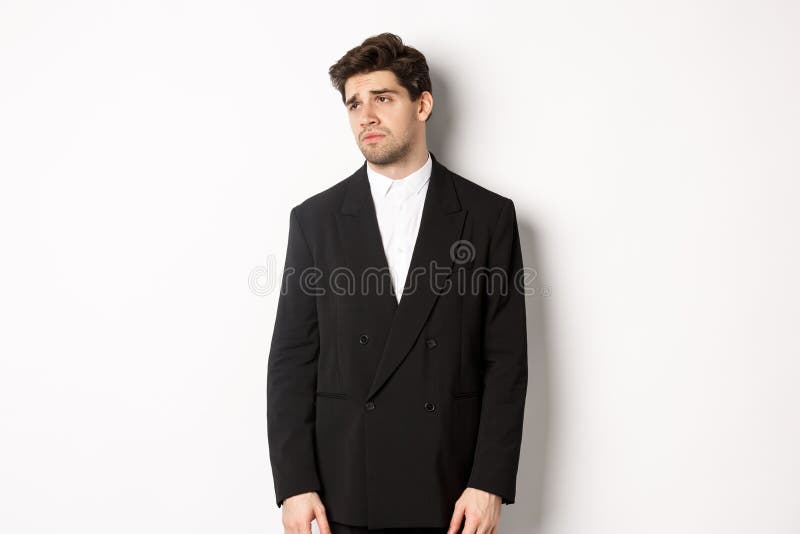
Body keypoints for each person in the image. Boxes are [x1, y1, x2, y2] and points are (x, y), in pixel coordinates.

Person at [267, 32, 528, 534]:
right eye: (354, 104)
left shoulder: (487, 216)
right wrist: (295, 484)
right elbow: (291, 361)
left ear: (422, 104)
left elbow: (506, 361)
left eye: (382, 98)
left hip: (452, 492)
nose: (366, 116)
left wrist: (489, 482)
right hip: (346, 488)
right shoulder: (315, 220)